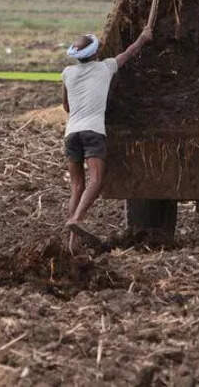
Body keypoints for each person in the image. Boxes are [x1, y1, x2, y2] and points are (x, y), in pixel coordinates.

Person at [62, 27, 152, 245]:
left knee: (77, 185)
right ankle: (77, 219)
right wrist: (143, 37)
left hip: (71, 133)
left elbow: (66, 106)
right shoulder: (105, 68)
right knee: (97, 180)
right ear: (94, 54)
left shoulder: (67, 73)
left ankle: (72, 242)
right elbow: (129, 53)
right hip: (93, 131)